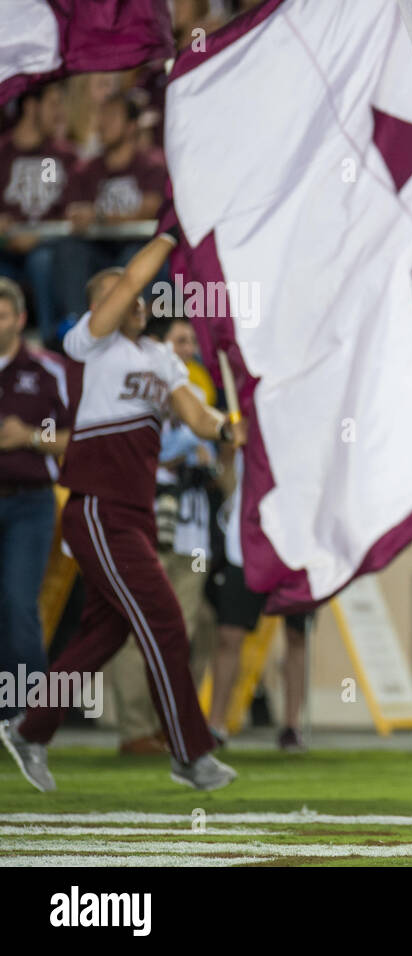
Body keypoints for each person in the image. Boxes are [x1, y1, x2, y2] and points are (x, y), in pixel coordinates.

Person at [0, 232, 244, 793]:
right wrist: (168, 229)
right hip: (97, 509)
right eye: (120, 296)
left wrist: (228, 427)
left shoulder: (160, 357)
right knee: (162, 616)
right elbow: (134, 278)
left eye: (136, 298)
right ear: (97, 308)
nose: (134, 302)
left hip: (131, 513)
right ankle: (188, 752)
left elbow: (196, 414)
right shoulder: (89, 344)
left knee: (102, 637)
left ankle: (30, 729)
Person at [104, 315, 220, 755]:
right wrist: (186, 444)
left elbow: (212, 460)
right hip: (143, 523)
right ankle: (136, 727)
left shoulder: (199, 392)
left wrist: (208, 457)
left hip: (190, 531)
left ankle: (170, 725)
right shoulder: (136, 391)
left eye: (192, 340)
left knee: (185, 631)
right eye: (179, 340)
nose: (188, 348)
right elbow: (131, 453)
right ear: (157, 346)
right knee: (139, 629)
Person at [207, 449, 312, 752]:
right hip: (247, 543)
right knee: (229, 634)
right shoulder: (245, 420)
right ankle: (215, 724)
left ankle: (292, 726)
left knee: (296, 634)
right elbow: (225, 465)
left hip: (296, 544)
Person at [0, 278, 70, 721]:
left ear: (21, 319)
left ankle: (26, 716)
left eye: (1, 314)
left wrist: (30, 437)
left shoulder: (48, 370)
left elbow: (75, 437)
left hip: (30, 503)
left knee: (19, 604)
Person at [52, 91, 166, 333]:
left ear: (131, 126)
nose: (102, 123)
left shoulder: (152, 164)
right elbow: (72, 211)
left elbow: (150, 209)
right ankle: (80, 327)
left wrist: (99, 216)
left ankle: (127, 325)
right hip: (98, 248)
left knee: (136, 257)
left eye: (112, 116)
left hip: (137, 246)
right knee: (67, 249)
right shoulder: (85, 169)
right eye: (101, 115)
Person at [0, 81, 75, 344]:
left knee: (43, 260)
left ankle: (49, 342)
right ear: (31, 107)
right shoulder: (3, 153)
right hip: (5, 249)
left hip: (48, 247)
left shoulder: (66, 156)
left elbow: (73, 214)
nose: (60, 113)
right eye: (53, 104)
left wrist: (38, 236)